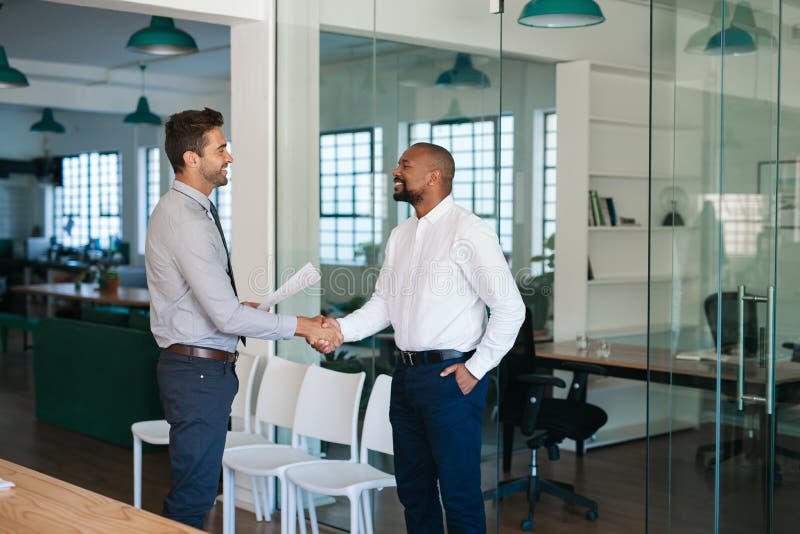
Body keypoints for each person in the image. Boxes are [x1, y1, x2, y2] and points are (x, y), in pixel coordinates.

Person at [145, 107, 342, 529]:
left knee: (194, 490)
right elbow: (224, 316)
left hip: (198, 370)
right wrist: (304, 326)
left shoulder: (190, 211)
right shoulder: (186, 220)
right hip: (197, 373)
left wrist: (240, 309)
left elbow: (212, 307)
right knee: (192, 497)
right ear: (192, 159)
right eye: (221, 149)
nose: (229, 157)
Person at [318, 143, 525, 533]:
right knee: (413, 492)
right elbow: (383, 305)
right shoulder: (401, 235)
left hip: (451, 379)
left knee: (459, 494)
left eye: (405, 165)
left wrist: (475, 369)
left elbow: (511, 309)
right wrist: (339, 330)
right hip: (408, 379)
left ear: (433, 176)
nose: (396, 171)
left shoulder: (468, 230)